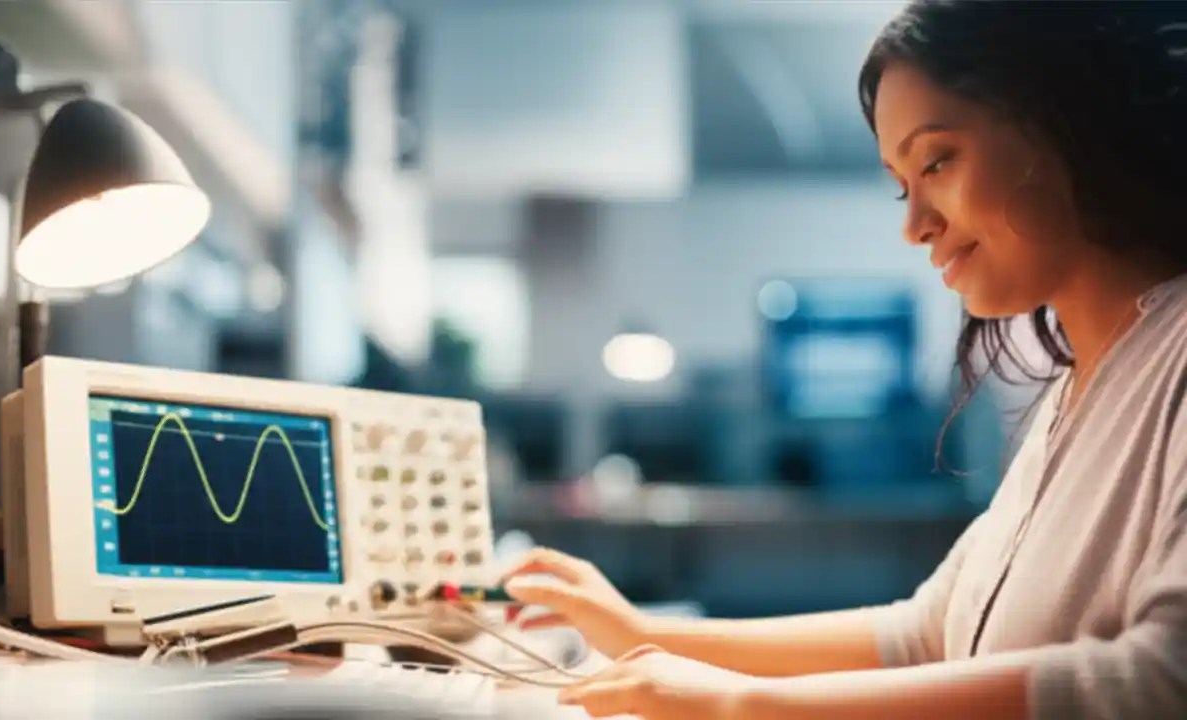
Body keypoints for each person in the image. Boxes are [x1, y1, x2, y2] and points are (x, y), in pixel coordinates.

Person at [502, 2, 1187, 719]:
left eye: (938, 160)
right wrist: (644, 635)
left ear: (1064, 121)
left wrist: (743, 705)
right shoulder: (1077, 391)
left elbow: (1162, 680)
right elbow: (925, 636)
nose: (915, 225)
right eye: (903, 185)